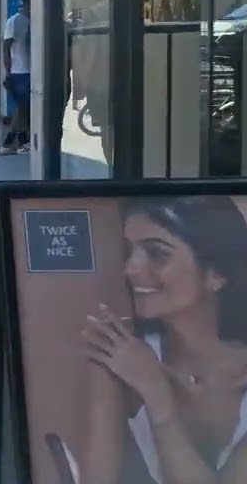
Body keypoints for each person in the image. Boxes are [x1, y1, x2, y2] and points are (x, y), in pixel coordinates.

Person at [78, 197, 247, 484]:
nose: (130, 268)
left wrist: (157, 394)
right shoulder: (120, 359)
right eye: (128, 252)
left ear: (216, 274)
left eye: (157, 253)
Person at [1, 0, 32, 155]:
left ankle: (15, 141)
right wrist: (8, 71)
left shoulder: (35, 20)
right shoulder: (15, 21)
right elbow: (6, 46)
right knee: (23, 108)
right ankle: (18, 142)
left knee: (24, 108)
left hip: (32, 70)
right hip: (19, 71)